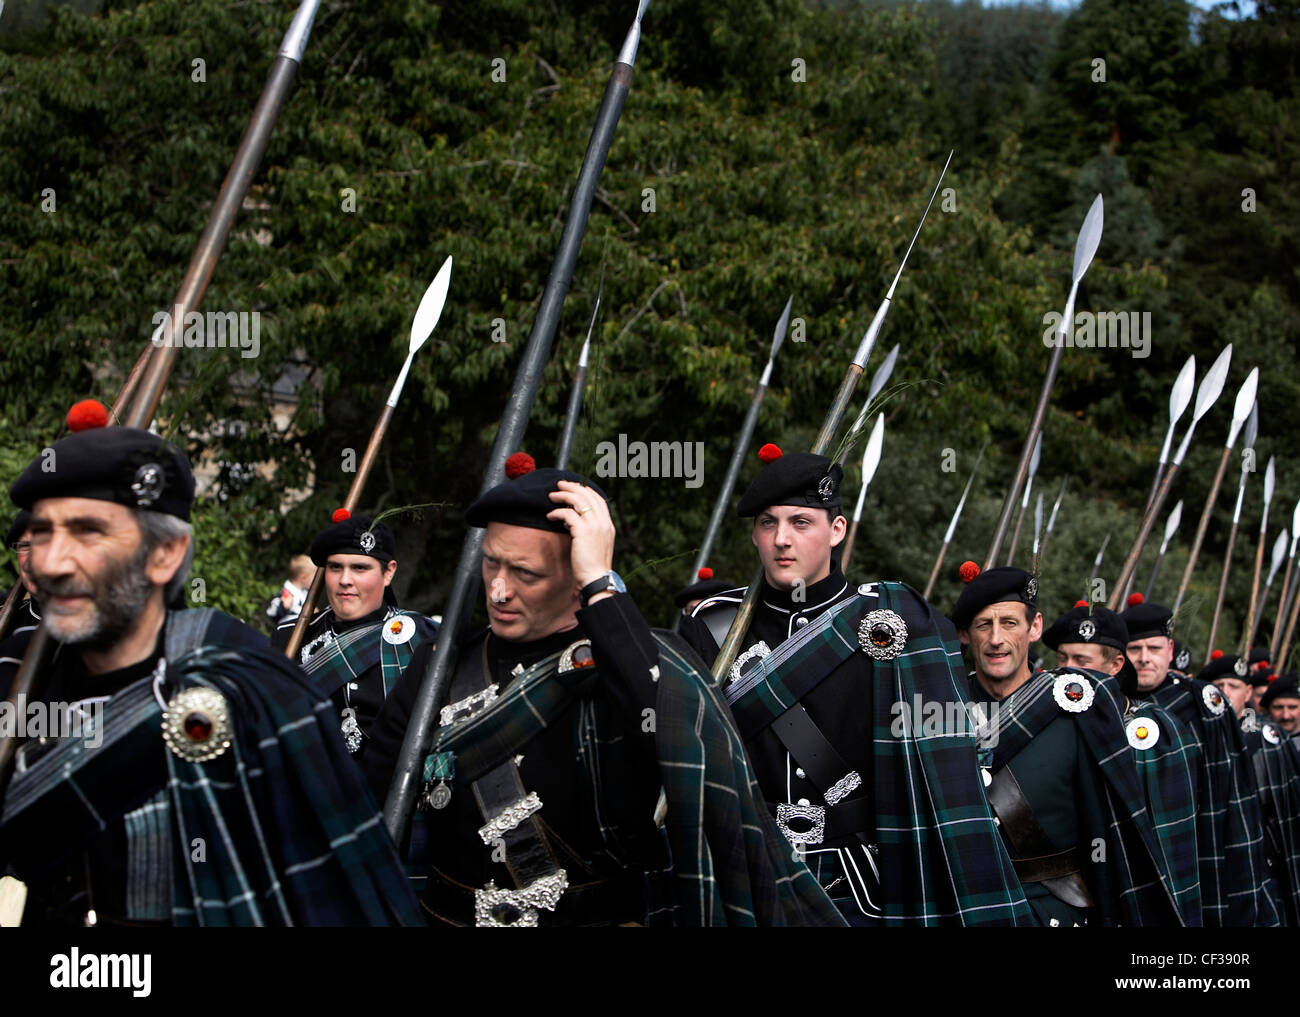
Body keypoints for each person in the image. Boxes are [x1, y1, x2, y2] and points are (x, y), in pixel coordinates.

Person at [364, 452, 842, 927]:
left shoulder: (628, 660)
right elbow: (371, 794)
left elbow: (667, 732)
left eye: (526, 574)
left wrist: (601, 582)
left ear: (577, 576)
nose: (499, 591)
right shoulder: (439, 664)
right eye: (492, 565)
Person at [0, 402, 422, 926]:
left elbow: (327, 893)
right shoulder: (18, 664)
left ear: (166, 554)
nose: (51, 561)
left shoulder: (255, 691)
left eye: (89, 533)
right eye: (41, 532)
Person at [678, 444, 1031, 926]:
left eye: (801, 522)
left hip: (861, 886)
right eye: (767, 523)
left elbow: (948, 769)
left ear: (836, 530)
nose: (782, 539)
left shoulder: (897, 624)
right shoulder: (712, 627)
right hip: (749, 876)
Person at [955, 566, 1184, 926]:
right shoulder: (942, 708)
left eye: (1011, 623)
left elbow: (1104, 828)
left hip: (1055, 910)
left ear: (1035, 627)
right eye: (984, 625)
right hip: (961, 906)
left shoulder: (1080, 709)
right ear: (965, 634)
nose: (996, 639)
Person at [1123, 594, 1279, 926]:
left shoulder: (1202, 705)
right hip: (1134, 849)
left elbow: (1233, 792)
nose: (1144, 659)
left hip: (1200, 842)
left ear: (1169, 650)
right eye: (1135, 650)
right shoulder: (1109, 704)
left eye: (1153, 649)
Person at [1044, 601, 1201, 925]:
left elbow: (1168, 840)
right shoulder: (1047, 723)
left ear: (1116, 665)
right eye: (1063, 659)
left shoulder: (1155, 731)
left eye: (1082, 662)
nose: (1067, 671)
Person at [272, 511, 436, 759]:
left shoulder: (423, 637)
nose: (345, 580)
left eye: (360, 568)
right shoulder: (288, 638)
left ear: (389, 572)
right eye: (335, 567)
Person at [264, 553, 315, 631]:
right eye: (313, 577)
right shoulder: (286, 593)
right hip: (286, 631)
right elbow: (271, 613)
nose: (315, 581)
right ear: (303, 578)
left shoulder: (304, 593)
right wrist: (284, 607)